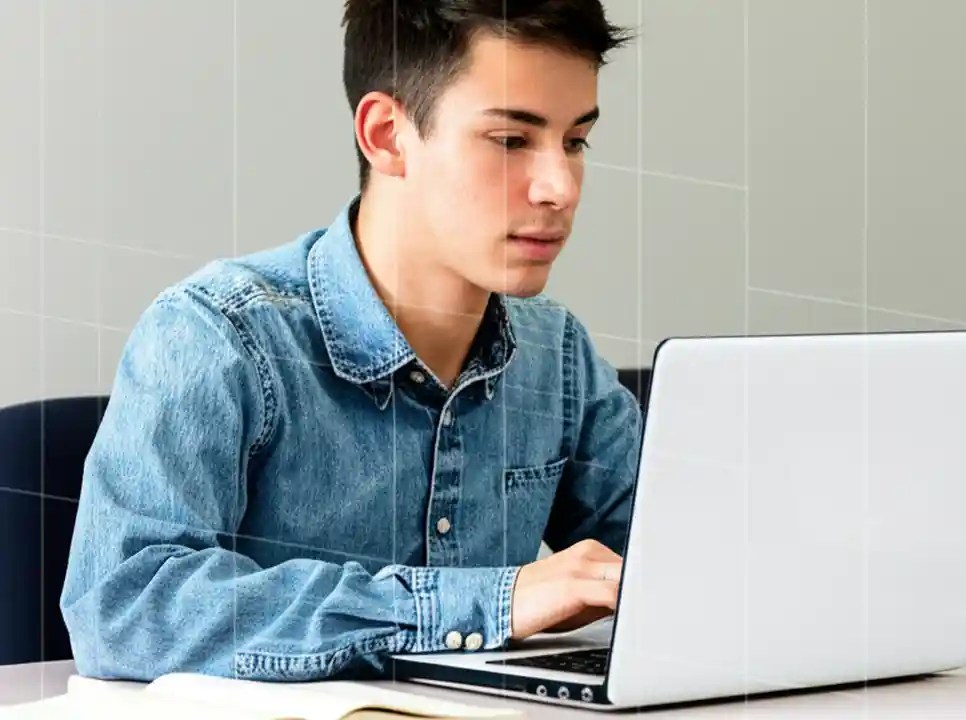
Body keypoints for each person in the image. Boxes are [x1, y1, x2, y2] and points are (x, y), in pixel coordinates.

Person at [60, 0, 640, 682]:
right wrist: (494, 601)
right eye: (513, 141)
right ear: (387, 135)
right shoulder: (218, 334)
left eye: (575, 141)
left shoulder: (558, 356)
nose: (560, 188)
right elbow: (125, 608)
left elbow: (685, 565)